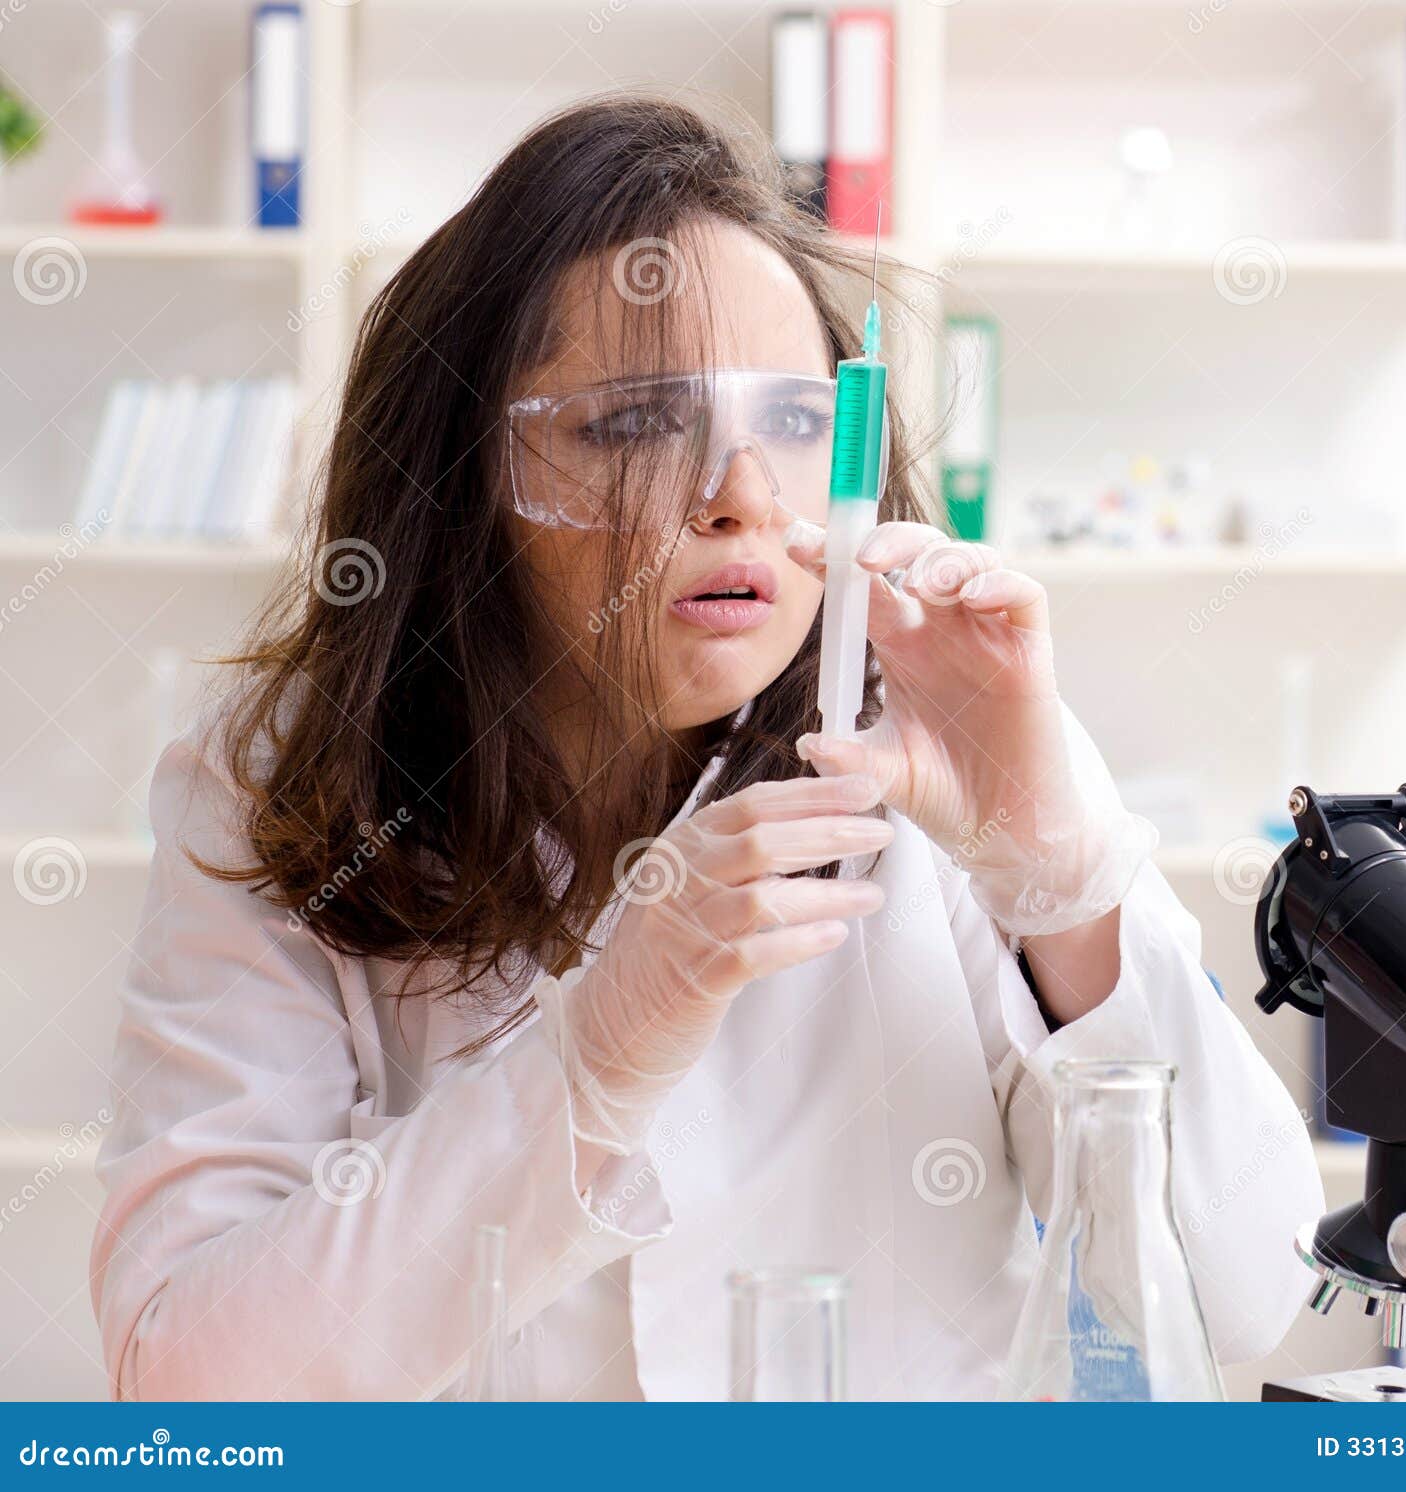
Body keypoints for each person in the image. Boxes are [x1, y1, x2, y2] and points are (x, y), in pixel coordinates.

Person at [90, 93, 1322, 1402]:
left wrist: (1062, 882)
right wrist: (598, 1046)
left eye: (794, 421)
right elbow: (187, 1385)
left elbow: (1246, 1293)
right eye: (632, 423)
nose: (739, 490)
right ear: (462, 482)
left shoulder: (943, 735)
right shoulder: (288, 782)